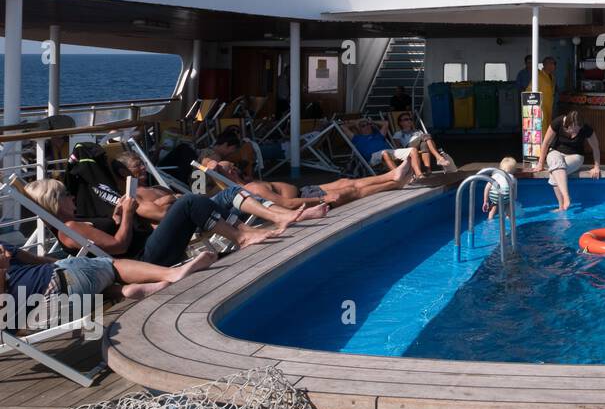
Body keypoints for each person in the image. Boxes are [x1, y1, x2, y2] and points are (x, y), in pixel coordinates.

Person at [24, 178, 284, 268]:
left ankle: (246, 231)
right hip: (145, 258)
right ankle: (242, 236)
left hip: (148, 248)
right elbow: (119, 247)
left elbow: (110, 237)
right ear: (55, 203)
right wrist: (127, 214)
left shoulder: (74, 222)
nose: (72, 196)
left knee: (200, 201)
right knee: (189, 203)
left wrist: (116, 217)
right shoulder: (69, 231)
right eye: (66, 194)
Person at [2, 240, 219, 309]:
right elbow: (37, 261)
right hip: (62, 284)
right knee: (111, 265)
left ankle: (122, 290)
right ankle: (172, 273)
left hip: (50, 311)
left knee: (81, 272)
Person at [203, 155, 417, 209]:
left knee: (345, 180)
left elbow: (205, 161)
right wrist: (323, 199)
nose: (235, 168)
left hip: (304, 190)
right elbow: (285, 205)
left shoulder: (241, 182)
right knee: (352, 190)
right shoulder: (249, 189)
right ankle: (393, 183)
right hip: (306, 200)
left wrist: (212, 164)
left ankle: (391, 176)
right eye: (230, 168)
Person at [532, 110, 601, 211]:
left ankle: (561, 206)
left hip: (575, 156)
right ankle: (566, 197)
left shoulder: (586, 128)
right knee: (555, 162)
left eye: (578, 130)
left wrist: (596, 167)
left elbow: (595, 147)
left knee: (554, 173)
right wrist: (540, 164)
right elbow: (546, 143)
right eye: (573, 129)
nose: (575, 132)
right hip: (555, 152)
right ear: (567, 124)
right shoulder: (558, 122)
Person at [538, 56, 557, 125]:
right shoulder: (538, 75)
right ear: (544, 64)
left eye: (553, 64)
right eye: (549, 63)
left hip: (550, 106)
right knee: (541, 125)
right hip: (541, 107)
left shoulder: (552, 77)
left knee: (548, 125)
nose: (551, 65)